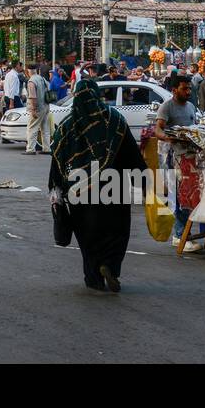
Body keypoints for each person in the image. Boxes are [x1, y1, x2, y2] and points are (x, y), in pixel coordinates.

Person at [48, 80, 147, 293]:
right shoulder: (114, 120)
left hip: (80, 192)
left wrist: (56, 190)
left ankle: (94, 278)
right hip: (115, 187)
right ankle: (110, 265)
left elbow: (57, 162)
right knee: (117, 231)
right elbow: (131, 154)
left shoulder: (66, 127)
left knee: (87, 236)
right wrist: (145, 183)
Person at [152, 75, 202, 251]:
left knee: (192, 194)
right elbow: (158, 129)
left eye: (189, 88)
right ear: (174, 90)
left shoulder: (191, 106)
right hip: (174, 158)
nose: (188, 92)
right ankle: (180, 235)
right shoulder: (166, 106)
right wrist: (168, 138)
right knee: (180, 196)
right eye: (184, 88)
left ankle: (187, 234)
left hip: (191, 157)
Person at [24, 63, 52, 156]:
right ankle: (47, 148)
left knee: (32, 128)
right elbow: (48, 88)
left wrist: (33, 110)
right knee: (45, 129)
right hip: (46, 106)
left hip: (38, 108)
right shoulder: (42, 78)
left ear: (28, 71)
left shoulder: (32, 81)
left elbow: (33, 96)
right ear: (36, 70)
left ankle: (30, 149)